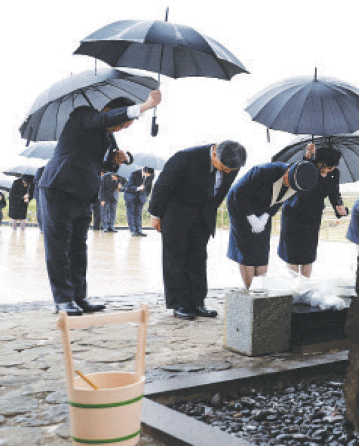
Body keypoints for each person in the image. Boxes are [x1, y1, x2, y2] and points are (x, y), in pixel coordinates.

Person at [38, 90, 162, 316]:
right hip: (59, 189)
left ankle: (79, 297)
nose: (119, 129)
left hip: (84, 195)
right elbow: (102, 120)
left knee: (78, 248)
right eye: (120, 124)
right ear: (110, 112)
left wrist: (119, 160)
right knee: (58, 248)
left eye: (124, 128)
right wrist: (144, 107)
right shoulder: (83, 115)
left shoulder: (107, 136)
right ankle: (63, 300)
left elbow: (103, 167)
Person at [149, 141, 247, 320]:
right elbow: (162, 185)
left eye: (230, 170)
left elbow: (221, 191)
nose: (227, 172)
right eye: (224, 168)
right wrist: (156, 214)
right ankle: (179, 303)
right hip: (177, 212)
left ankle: (197, 302)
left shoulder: (233, 163)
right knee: (175, 257)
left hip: (203, 215)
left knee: (198, 257)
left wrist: (209, 211)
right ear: (215, 153)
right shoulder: (185, 158)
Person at [226, 159, 319, 289]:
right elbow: (239, 194)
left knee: (262, 246)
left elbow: (280, 200)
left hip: (263, 208)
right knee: (247, 247)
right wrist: (251, 217)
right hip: (240, 206)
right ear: (287, 173)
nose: (289, 186)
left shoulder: (299, 184)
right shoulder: (263, 171)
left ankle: (260, 288)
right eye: (288, 182)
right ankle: (250, 290)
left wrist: (266, 215)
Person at [278, 145, 348, 278]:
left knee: (308, 255)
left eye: (332, 167)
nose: (329, 170)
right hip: (294, 213)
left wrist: (339, 205)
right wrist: (307, 157)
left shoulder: (334, 173)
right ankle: (293, 287)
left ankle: (304, 286)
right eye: (326, 166)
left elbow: (334, 193)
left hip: (313, 216)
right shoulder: (307, 167)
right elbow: (298, 173)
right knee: (292, 254)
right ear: (319, 161)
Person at [124, 167, 154, 236]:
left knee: (138, 213)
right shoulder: (134, 174)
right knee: (131, 213)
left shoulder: (151, 175)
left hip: (141, 197)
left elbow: (149, 187)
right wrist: (138, 188)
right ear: (144, 171)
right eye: (148, 174)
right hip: (130, 196)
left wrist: (146, 195)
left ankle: (139, 230)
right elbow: (128, 187)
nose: (149, 176)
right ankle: (133, 230)